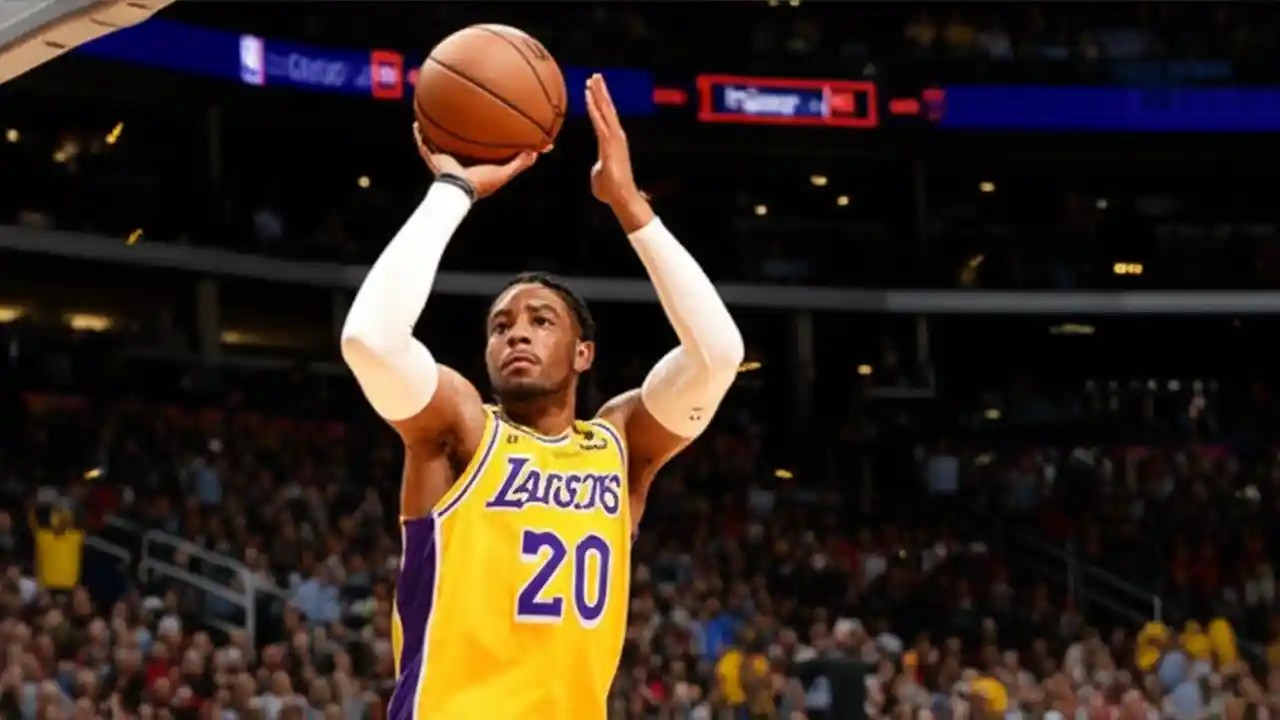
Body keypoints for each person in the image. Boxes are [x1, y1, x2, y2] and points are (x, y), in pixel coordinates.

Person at [340, 73, 744, 720]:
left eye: (540, 320)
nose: (516, 333)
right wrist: (453, 191)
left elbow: (718, 354)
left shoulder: (619, 447)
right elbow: (369, 341)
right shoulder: (464, 431)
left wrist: (630, 208)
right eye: (500, 325)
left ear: (584, 353)